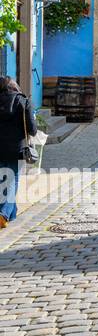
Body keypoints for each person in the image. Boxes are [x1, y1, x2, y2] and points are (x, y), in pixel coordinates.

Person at [0, 76, 36, 228]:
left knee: (3, 181)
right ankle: (4, 214)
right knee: (12, 180)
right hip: (16, 148)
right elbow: (32, 130)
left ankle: (12, 212)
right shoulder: (23, 101)